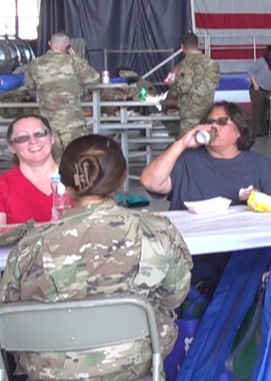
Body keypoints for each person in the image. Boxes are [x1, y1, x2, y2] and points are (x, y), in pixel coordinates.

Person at [1, 134, 191, 381]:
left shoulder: (32, 244)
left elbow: (8, 312)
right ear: (122, 179)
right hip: (134, 365)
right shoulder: (157, 232)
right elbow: (175, 295)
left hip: (52, 371)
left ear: (65, 185)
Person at [140, 102, 271, 212]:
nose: (213, 127)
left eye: (222, 122)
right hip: (190, 247)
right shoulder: (185, 159)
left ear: (240, 132)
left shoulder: (259, 163)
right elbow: (149, 182)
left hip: (240, 247)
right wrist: (182, 143)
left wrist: (259, 199)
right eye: (209, 122)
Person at [23, 31, 100, 150]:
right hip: (72, 124)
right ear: (68, 46)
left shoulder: (35, 64)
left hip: (47, 123)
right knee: (75, 159)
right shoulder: (73, 61)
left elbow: (30, 87)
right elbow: (94, 78)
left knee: (52, 161)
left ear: (49, 43)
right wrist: (77, 58)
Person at [0, 115, 59, 224]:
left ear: (52, 138)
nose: (33, 141)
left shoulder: (76, 177)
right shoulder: (3, 185)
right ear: (11, 147)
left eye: (40, 134)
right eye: (22, 138)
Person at [167, 32, 221, 136]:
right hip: (208, 112)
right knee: (206, 141)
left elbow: (184, 86)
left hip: (190, 113)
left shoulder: (185, 63)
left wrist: (172, 89)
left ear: (182, 47)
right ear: (198, 45)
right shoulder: (212, 64)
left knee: (188, 144)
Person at [247, 45, 271, 136]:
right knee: (257, 110)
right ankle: (256, 130)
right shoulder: (261, 62)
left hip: (268, 89)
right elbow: (251, 71)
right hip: (258, 89)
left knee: (264, 110)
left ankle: (264, 129)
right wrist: (255, 83)